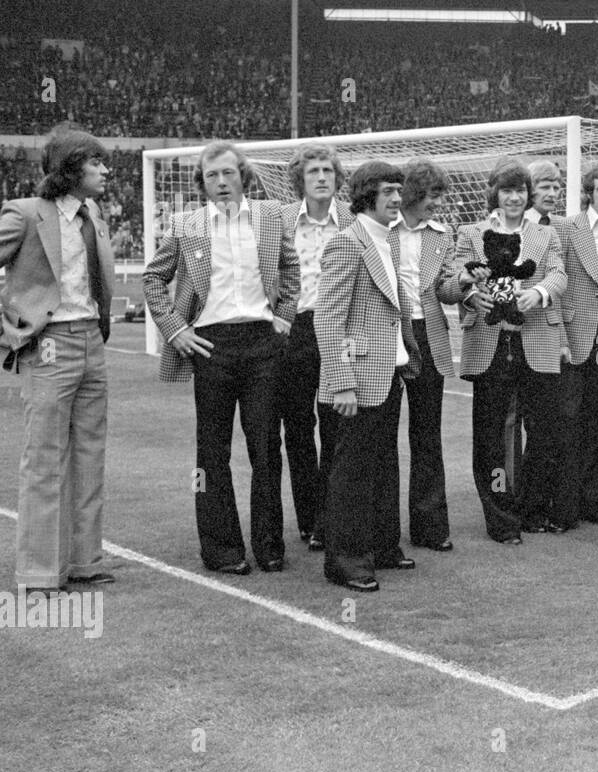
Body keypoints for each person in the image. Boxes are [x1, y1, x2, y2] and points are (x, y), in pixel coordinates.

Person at [144, 141, 299, 576]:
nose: (221, 182)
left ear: (243, 175)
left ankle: (269, 546)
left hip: (263, 344)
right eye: (212, 175)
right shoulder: (186, 224)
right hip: (210, 347)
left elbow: (292, 270)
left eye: (228, 173)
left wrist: (284, 316)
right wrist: (175, 329)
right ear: (203, 182)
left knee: (267, 447)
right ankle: (221, 549)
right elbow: (154, 278)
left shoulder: (270, 218)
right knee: (211, 452)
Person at [0, 124, 116, 594]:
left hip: (92, 340)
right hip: (49, 344)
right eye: (95, 163)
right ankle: (40, 571)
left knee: (90, 457)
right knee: (45, 459)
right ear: (71, 168)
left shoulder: (95, 215)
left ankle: (85, 562)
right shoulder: (26, 214)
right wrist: (10, 327)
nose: (105, 170)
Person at [443, 158, 567, 544]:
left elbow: (559, 274)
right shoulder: (470, 233)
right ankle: (500, 518)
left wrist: (539, 292)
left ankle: (530, 508)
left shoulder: (544, 235)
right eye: (507, 190)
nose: (514, 197)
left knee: (544, 433)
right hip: (489, 343)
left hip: (536, 342)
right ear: (494, 193)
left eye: (520, 191)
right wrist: (467, 289)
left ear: (528, 195)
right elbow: (446, 286)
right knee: (491, 436)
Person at [315, 161, 422, 592]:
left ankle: (380, 546)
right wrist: (340, 380)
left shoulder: (388, 241)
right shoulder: (347, 244)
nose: (398, 199)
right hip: (357, 379)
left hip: (388, 371)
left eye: (399, 190)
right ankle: (344, 560)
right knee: (352, 472)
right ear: (366, 195)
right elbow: (329, 318)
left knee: (380, 466)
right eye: (389, 191)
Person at [271, 143, 353, 553]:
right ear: (299, 180)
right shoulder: (280, 221)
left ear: (338, 178)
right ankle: (308, 518)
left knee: (338, 425)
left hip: (341, 332)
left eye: (327, 170)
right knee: (299, 429)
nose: (321, 177)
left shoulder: (355, 223)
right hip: (294, 331)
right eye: (312, 172)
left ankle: (330, 518)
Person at [550, 162, 598, 527]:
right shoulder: (566, 229)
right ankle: (563, 509)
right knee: (566, 421)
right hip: (571, 334)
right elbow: (555, 286)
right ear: (589, 193)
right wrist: (561, 339)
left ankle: (595, 502)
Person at [393, 158, 461, 551]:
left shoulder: (442, 233)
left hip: (429, 334)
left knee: (427, 434)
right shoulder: (382, 229)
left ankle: (430, 527)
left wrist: (464, 283)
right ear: (414, 193)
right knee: (383, 434)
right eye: (434, 196)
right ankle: (382, 525)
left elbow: (446, 288)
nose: (439, 204)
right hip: (388, 334)